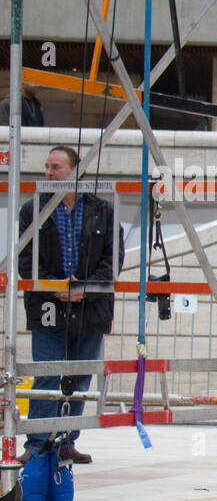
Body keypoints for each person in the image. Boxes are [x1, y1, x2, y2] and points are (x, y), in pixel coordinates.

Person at [17, 146, 123, 465]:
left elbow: (113, 258)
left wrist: (85, 290)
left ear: (77, 171)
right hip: (48, 306)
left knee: (78, 377)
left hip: (89, 309)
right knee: (47, 374)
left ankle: (66, 440)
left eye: (56, 167)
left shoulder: (102, 210)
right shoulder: (32, 210)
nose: (48, 172)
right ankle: (38, 443)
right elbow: (25, 259)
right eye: (47, 167)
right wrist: (55, 288)